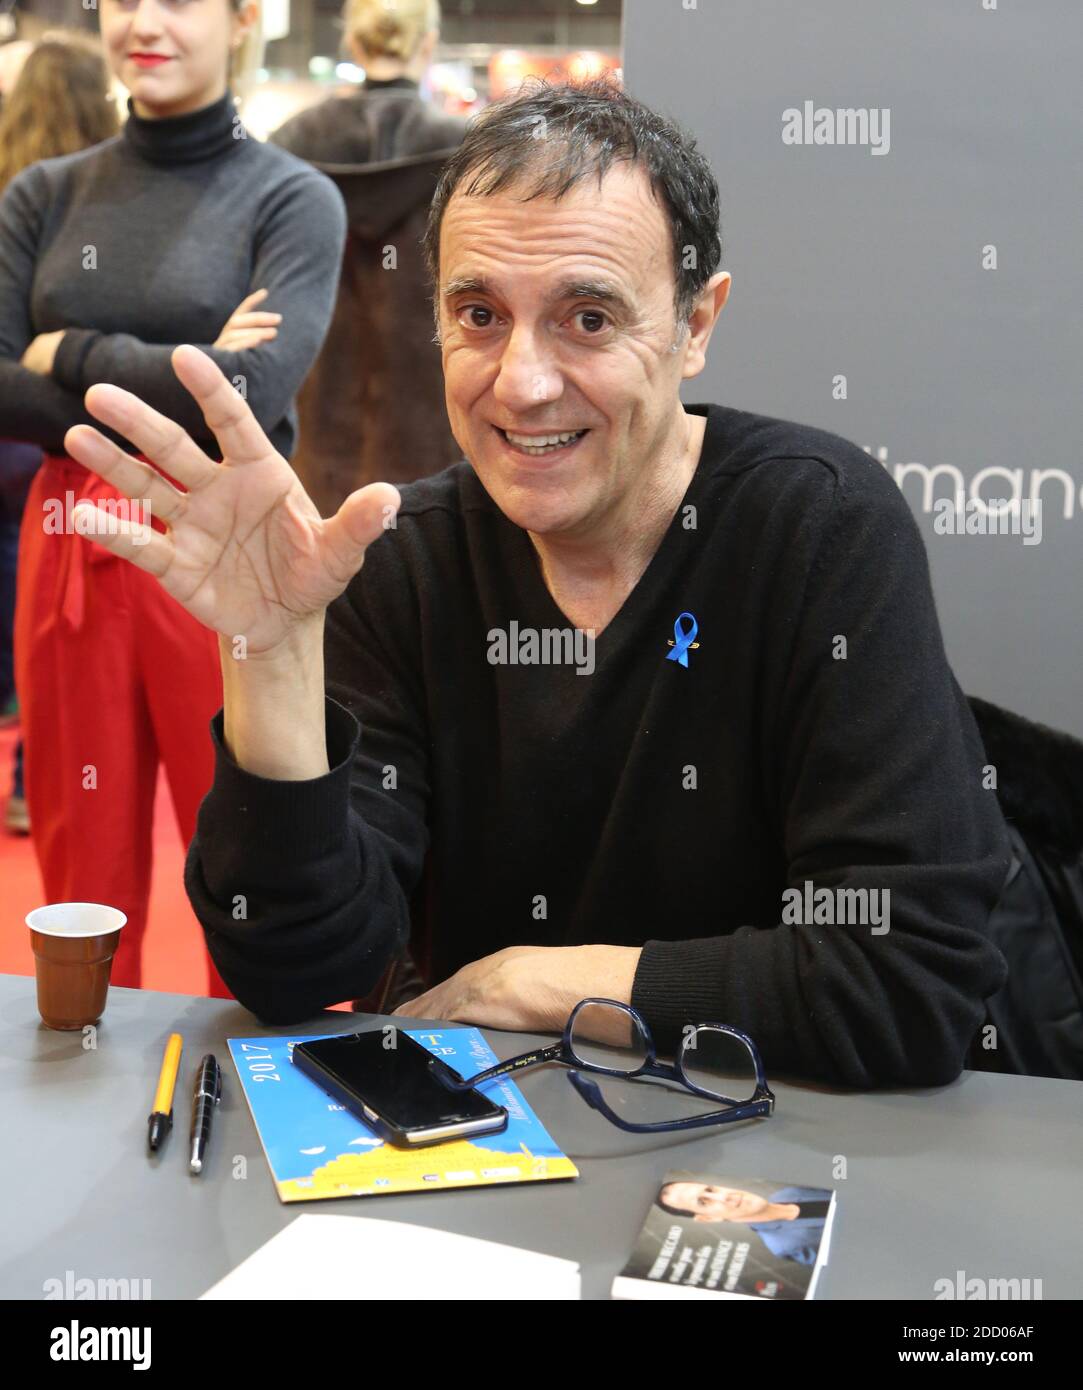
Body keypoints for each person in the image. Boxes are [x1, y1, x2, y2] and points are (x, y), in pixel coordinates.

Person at [61, 77, 1015, 1086]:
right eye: (479, 313)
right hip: (488, 1171)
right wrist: (275, 658)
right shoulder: (407, 562)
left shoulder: (816, 528)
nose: (521, 381)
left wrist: (520, 983)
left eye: (588, 319)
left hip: (779, 1159)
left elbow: (910, 983)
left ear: (696, 323)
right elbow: (296, 962)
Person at [0, 0, 346, 992]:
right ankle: (84, 1079)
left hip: (232, 540)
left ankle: (250, 1091)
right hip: (72, 538)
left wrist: (68, 348)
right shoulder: (45, 194)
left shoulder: (291, 198)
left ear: (245, 16)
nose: (143, 20)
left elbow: (257, 389)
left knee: (248, 842)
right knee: (80, 848)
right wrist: (191, 368)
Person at [268, 0, 466, 517]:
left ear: (352, 44)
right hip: (433, 440)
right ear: (428, 43)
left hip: (312, 442)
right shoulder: (470, 154)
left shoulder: (290, 148)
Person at [0, 31, 122, 835]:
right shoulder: (105, 204)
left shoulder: (18, 194)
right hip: (65, 449)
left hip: (20, 428)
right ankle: (24, 772)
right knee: (56, 621)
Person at [657, 1181, 829, 1267]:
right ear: (708, 1218)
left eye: (710, 1190)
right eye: (704, 1202)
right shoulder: (786, 1246)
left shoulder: (789, 1192)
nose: (724, 1197)